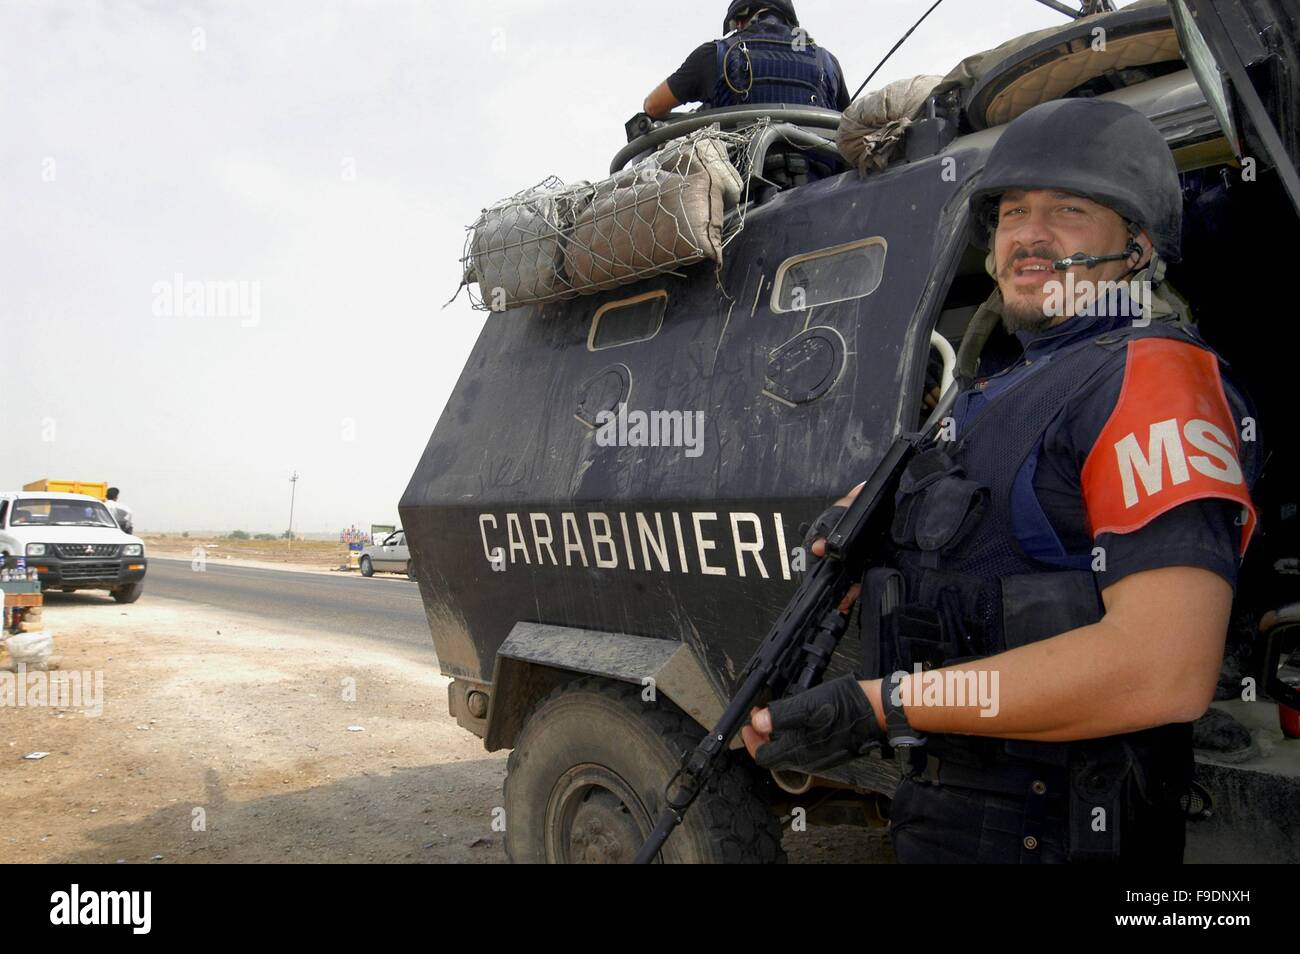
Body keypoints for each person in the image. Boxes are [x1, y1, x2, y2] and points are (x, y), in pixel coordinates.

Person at [740, 97, 1261, 863]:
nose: (1029, 235)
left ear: (1137, 248)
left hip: (1061, 822)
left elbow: (1163, 670)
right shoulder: (1002, 387)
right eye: (1013, 213)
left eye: (1069, 211)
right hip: (957, 805)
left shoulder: (1154, 380)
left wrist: (881, 705)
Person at [642, 1, 849, 120]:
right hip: (823, 185)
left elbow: (653, 106)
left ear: (739, 21)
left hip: (737, 189)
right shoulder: (828, 63)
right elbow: (850, 127)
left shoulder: (714, 55)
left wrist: (700, 118)